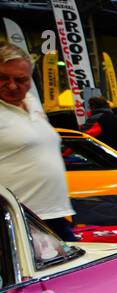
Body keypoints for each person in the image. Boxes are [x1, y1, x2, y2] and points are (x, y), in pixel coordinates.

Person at [0, 43, 77, 240]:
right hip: (13, 222)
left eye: (21, 79)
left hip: (52, 215)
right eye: (3, 78)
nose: (12, 86)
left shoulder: (33, 102)